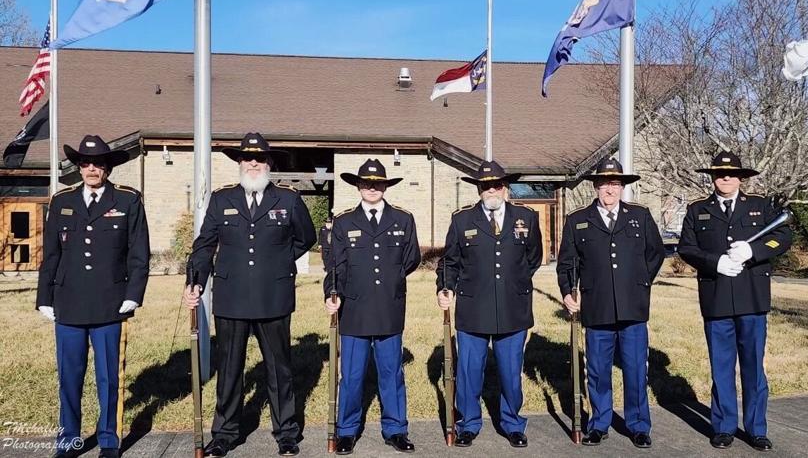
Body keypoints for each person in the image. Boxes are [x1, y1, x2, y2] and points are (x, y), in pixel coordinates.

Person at [183, 132, 316, 457]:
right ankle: (225, 434)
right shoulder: (221, 200)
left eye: (259, 158)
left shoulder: (288, 200)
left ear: (270, 163)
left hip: (274, 296)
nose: (253, 163)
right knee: (229, 368)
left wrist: (280, 262)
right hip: (232, 298)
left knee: (279, 368)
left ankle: (286, 432)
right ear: (239, 163)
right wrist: (195, 279)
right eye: (247, 158)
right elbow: (204, 245)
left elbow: (306, 237)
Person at [37, 135, 150, 458]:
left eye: (98, 163)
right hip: (68, 303)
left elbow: (138, 255)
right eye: (85, 163)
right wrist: (44, 297)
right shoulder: (62, 202)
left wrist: (133, 295)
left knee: (108, 377)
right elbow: (52, 254)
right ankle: (69, 438)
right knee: (69, 377)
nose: (91, 169)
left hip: (109, 303)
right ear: (78, 167)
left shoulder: (127, 201)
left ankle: (109, 440)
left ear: (108, 167)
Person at [677, 151, 792, 452]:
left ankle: (756, 429)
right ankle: (724, 426)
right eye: (718, 173)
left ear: (741, 177)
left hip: (752, 298)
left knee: (754, 367)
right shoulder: (697, 210)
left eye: (730, 174)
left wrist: (753, 252)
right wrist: (714, 262)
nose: (725, 178)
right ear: (712, 177)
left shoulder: (759, 206)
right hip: (716, 298)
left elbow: (783, 237)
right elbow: (686, 248)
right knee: (721, 367)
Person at [556, 158, 665, 448]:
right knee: (598, 370)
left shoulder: (639, 216)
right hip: (597, 306)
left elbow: (655, 253)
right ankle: (599, 423)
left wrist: (641, 283)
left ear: (622, 187)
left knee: (634, 369)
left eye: (615, 184)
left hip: (633, 307)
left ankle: (638, 425)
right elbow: (567, 262)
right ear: (595, 186)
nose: (610, 189)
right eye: (604, 184)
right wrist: (568, 292)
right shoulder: (577, 220)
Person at [436, 160, 542, 448]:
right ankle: (468, 423)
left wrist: (512, 282)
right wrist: (444, 287)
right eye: (485, 186)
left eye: (496, 185)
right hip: (473, 307)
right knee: (469, 371)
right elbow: (449, 261)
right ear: (479, 189)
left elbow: (533, 258)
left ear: (505, 188)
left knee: (510, 372)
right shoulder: (462, 220)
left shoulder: (527, 218)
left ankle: (512, 423)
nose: (491, 190)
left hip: (512, 307)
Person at [324, 159, 421, 455]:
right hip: (354, 309)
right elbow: (335, 265)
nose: (372, 188)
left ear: (385, 186)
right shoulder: (343, 222)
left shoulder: (403, 220)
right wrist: (333, 292)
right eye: (366, 183)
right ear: (358, 186)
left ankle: (396, 429)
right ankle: (347, 430)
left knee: (391, 373)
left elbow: (411, 258)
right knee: (351, 375)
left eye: (378, 183)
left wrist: (390, 281)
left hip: (389, 308)